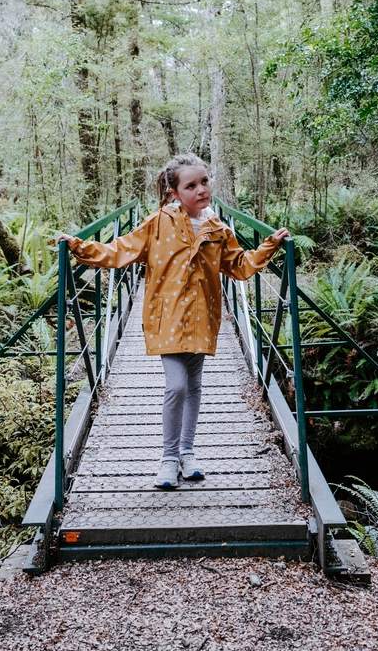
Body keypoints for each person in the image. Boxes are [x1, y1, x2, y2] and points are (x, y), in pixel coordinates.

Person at [52, 153, 289, 489]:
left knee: (194, 386)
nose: (201, 189)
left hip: (203, 316)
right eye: (191, 186)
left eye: (204, 181)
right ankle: (168, 458)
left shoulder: (218, 230)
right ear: (174, 192)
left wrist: (270, 246)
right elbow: (119, 251)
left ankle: (187, 453)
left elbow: (240, 266)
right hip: (167, 317)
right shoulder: (158, 223)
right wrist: (78, 246)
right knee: (176, 385)